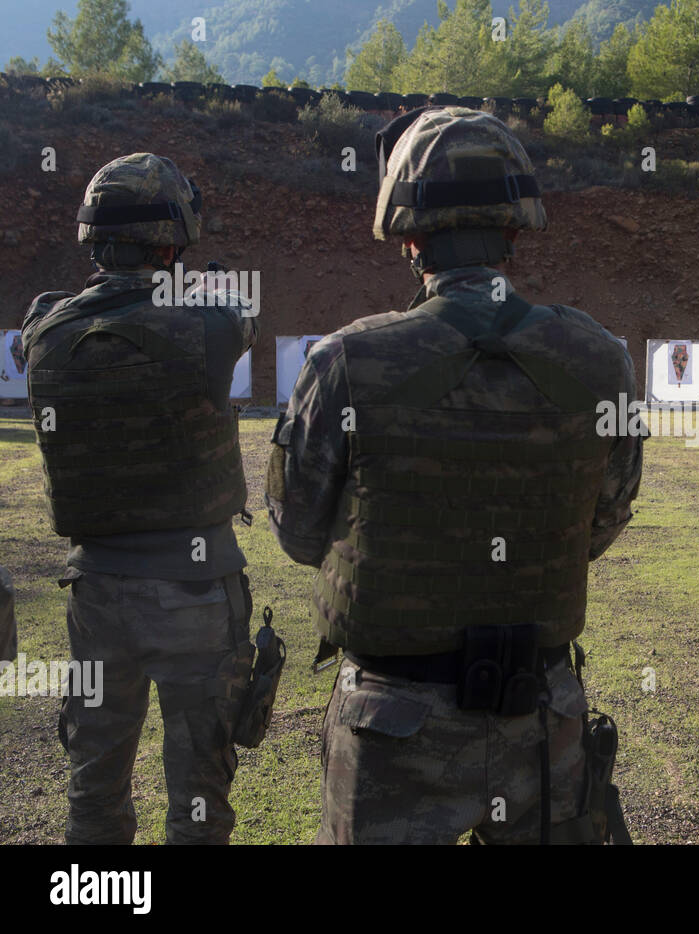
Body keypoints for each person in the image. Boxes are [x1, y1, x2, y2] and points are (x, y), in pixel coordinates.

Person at [267, 107, 643, 844]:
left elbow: (298, 530)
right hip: (542, 720)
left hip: (393, 727)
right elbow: (602, 520)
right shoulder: (601, 358)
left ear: (408, 235)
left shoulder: (346, 362)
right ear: (513, 230)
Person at [22, 152, 258, 844]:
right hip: (194, 591)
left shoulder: (44, 333)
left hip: (96, 590)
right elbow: (236, 314)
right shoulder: (210, 325)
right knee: (196, 799)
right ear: (173, 236)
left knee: (93, 789)